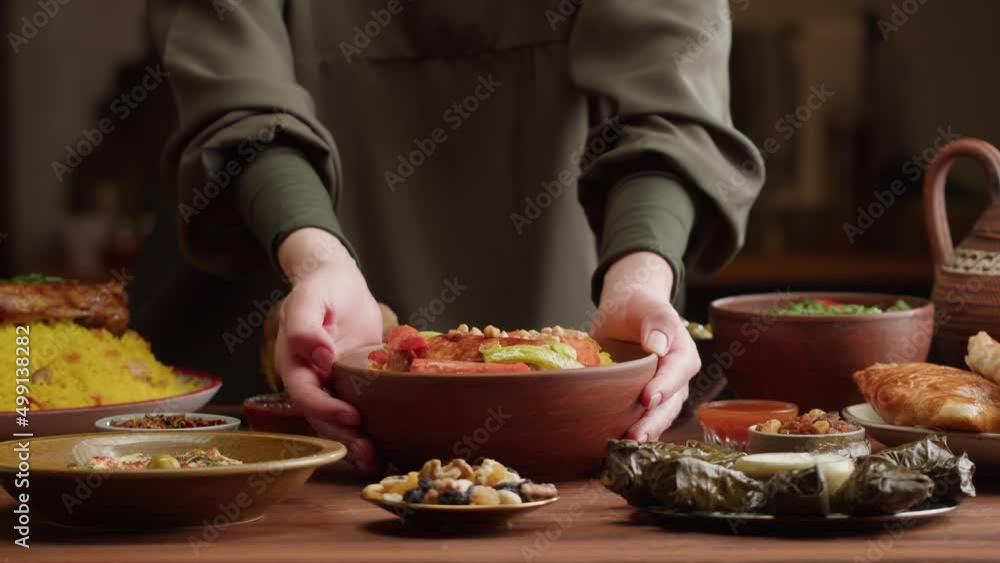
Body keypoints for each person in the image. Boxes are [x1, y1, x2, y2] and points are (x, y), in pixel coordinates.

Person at [140, 0, 764, 473]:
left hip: (576, 331)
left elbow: (672, 93)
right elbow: (233, 82)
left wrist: (641, 279)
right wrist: (314, 259)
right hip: (293, 310)